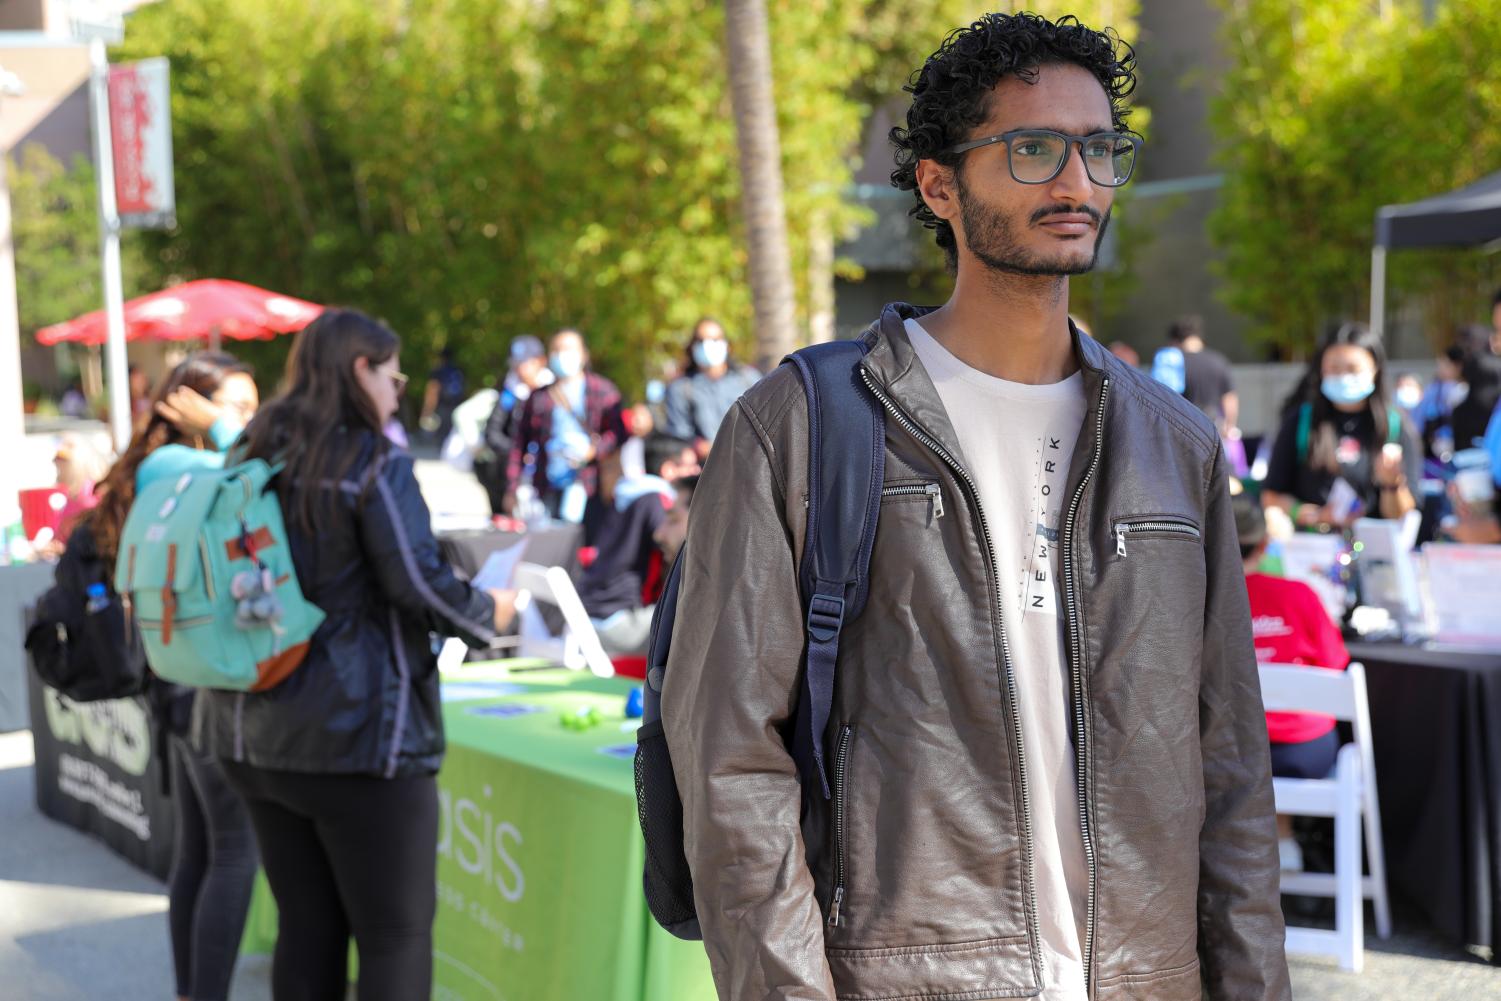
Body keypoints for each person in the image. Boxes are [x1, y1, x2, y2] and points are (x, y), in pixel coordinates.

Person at [661, 13, 1289, 1001]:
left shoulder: (1174, 446)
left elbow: (1230, 769)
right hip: (913, 976)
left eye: (1098, 149)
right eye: (1034, 149)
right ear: (939, 185)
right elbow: (730, 759)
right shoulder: (801, 427)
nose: (1076, 183)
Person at [196, 310, 516, 1001]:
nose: (399, 391)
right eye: (392, 375)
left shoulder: (253, 451)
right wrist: (490, 611)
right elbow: (417, 581)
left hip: (253, 726)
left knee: (306, 928)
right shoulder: (372, 461)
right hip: (360, 733)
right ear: (359, 370)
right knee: (394, 935)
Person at [82, 352, 262, 1001]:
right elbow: (266, 473)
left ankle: (190, 992)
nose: (247, 421)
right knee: (233, 851)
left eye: (252, 408)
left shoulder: (175, 467)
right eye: (235, 406)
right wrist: (222, 429)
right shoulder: (177, 466)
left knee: (202, 847)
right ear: (189, 407)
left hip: (185, 674)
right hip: (197, 679)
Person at [1235, 493, 1350, 872]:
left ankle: (1270, 845)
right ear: (1264, 544)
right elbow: (1335, 667)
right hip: (1302, 753)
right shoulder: (1299, 595)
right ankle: (1282, 842)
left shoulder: (1200, 600)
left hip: (1229, 750)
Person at [1262, 322, 1421, 530]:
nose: (1344, 377)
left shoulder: (1395, 425)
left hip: (1372, 543)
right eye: (1334, 369)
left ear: (1375, 369)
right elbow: (1271, 495)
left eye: (1353, 369)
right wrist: (1312, 515)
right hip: (1314, 543)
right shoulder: (1301, 421)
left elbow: (1403, 513)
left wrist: (1392, 483)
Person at [576, 433, 699, 655]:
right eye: (690, 466)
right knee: (691, 621)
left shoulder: (628, 494)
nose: (698, 471)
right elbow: (674, 549)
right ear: (669, 469)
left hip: (591, 611)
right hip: (618, 618)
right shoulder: (658, 500)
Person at [502, 328, 627, 523]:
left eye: (569, 349)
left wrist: (593, 451)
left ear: (584, 354)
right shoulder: (539, 397)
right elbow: (519, 445)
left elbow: (618, 432)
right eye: (557, 350)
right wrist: (512, 488)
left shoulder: (602, 390)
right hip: (547, 487)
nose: (562, 355)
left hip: (591, 486)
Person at [662, 317, 761, 456]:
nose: (708, 346)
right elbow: (678, 437)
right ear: (692, 347)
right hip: (705, 466)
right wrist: (697, 446)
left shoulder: (749, 379)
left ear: (727, 345)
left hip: (749, 461)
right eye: (701, 341)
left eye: (715, 339)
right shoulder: (680, 389)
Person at [476, 335, 551, 513]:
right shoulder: (509, 393)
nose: (520, 370)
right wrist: (519, 454)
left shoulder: (554, 392)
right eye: (516, 364)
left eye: (525, 363)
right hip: (512, 472)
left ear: (541, 361)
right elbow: (492, 433)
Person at [419, 346, 466, 445]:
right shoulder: (459, 370)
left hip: (443, 407)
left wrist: (427, 410)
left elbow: (433, 391)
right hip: (457, 406)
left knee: (442, 437)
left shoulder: (438, 371)